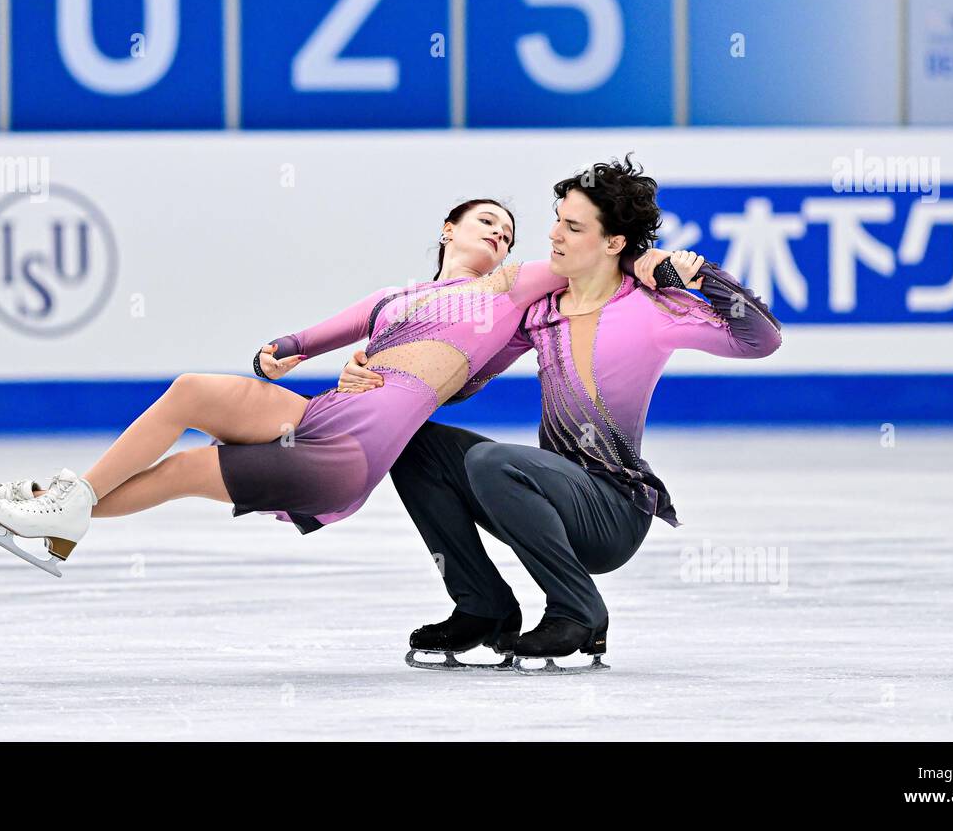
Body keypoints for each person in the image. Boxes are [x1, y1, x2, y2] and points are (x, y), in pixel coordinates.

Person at [0, 193, 671, 577]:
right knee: (189, 389)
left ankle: (50, 516)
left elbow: (587, 258)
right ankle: (53, 513)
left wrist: (646, 259)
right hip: (323, 410)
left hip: (347, 452)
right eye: (487, 222)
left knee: (186, 469)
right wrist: (276, 353)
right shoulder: (394, 298)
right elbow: (300, 344)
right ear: (448, 227)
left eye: (509, 233)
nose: (502, 236)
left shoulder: (507, 295)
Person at [335, 157, 783, 671]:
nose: (553, 236)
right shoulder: (539, 313)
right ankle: (482, 604)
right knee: (414, 444)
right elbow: (457, 384)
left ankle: (578, 611)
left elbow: (761, 338)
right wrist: (378, 371)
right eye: (557, 220)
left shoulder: (654, 305)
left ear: (614, 243)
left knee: (492, 462)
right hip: (547, 499)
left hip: (614, 510)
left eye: (572, 227)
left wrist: (702, 273)